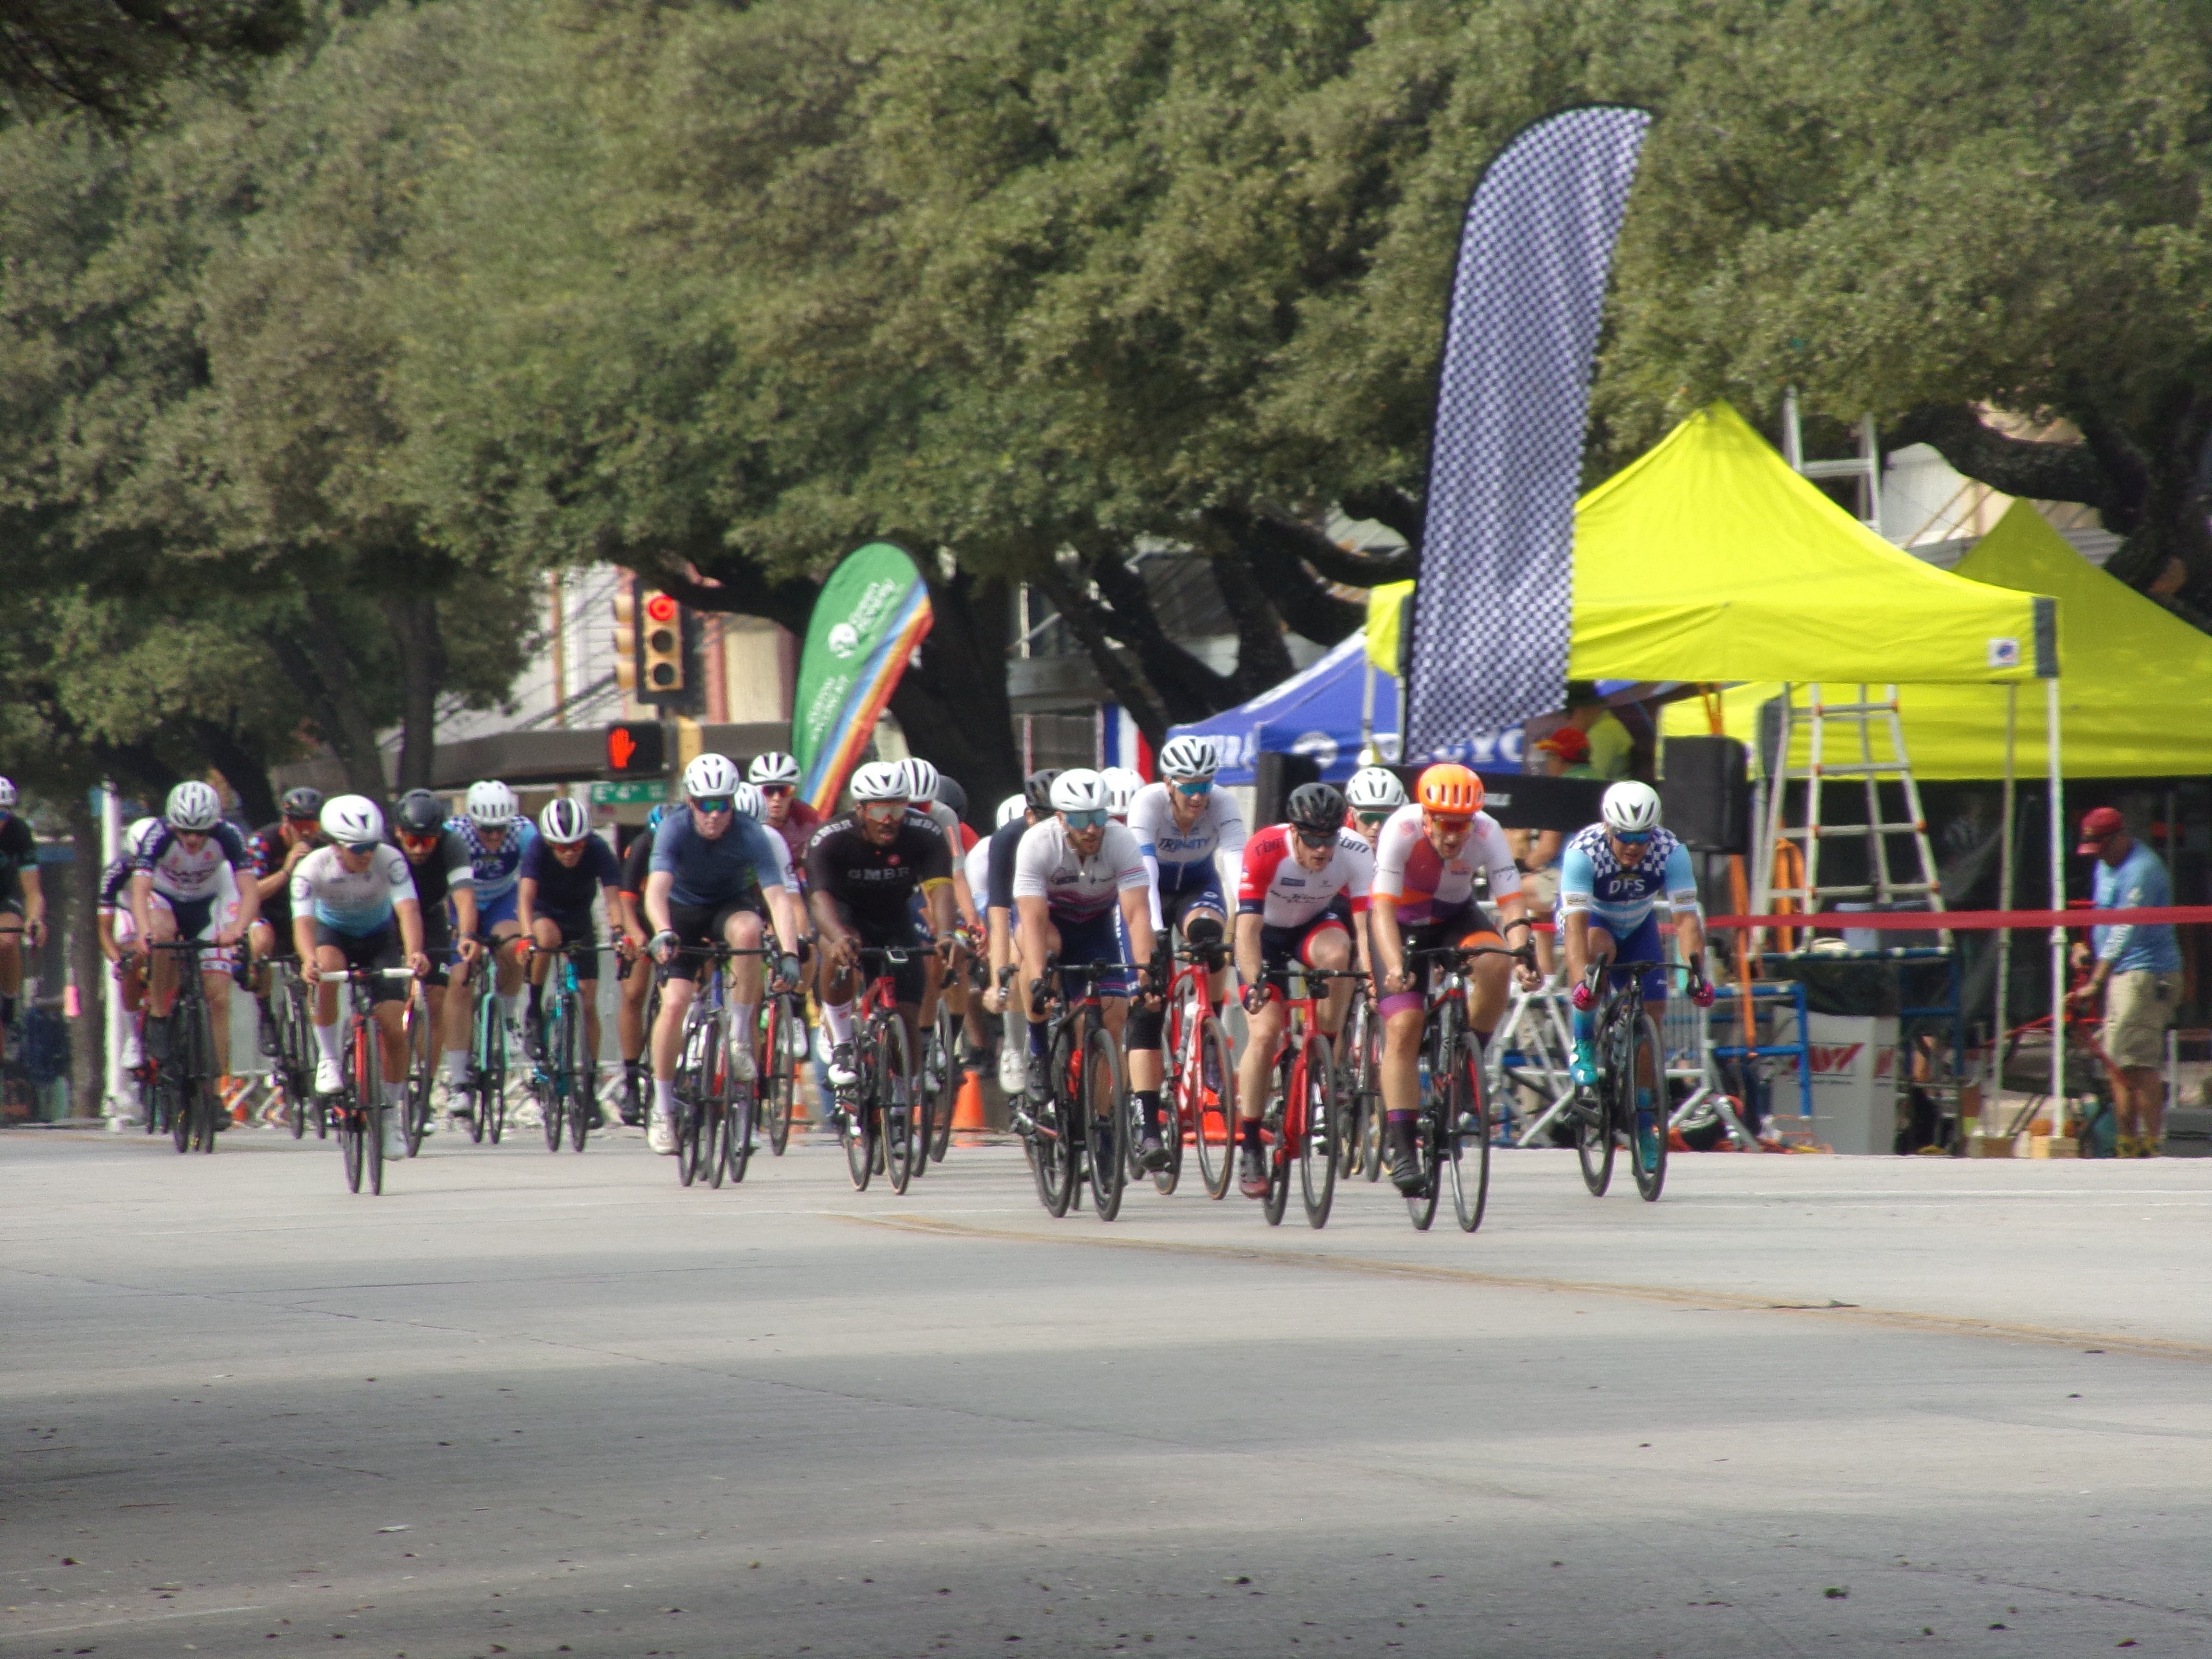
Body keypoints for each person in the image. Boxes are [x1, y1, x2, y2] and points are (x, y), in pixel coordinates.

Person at [1367, 764, 1538, 1193]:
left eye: (1462, 826)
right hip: (1400, 926)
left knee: (1497, 961)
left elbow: (1512, 902)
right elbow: (1382, 909)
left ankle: (1466, 1063)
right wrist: (1393, 965)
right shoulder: (1400, 829)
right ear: (1425, 817)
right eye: (1444, 824)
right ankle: (1403, 1146)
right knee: (1405, 1026)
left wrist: (1523, 952)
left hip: (1452, 917)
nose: (1453, 836)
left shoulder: (1488, 832)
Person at [642, 753, 804, 1155]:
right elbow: (656, 890)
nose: (713, 815)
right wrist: (663, 932)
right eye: (704, 804)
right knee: (676, 1002)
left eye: (723, 804)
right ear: (690, 802)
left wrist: (789, 953)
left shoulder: (752, 833)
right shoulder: (674, 829)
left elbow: (778, 900)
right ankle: (662, 1109)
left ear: (734, 802)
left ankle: (738, 1039)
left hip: (728, 906)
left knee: (750, 930)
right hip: (681, 912)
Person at [1558, 781, 1713, 1164]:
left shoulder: (1670, 852)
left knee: (1653, 1017)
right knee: (1598, 955)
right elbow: (1575, 928)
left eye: (1641, 837)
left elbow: (1686, 922)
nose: (1633, 846)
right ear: (1609, 828)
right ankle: (1584, 1045)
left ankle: (1644, 1125)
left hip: (1639, 924)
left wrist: (1696, 978)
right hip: (1594, 922)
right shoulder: (1583, 852)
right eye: (1625, 836)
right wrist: (1581, 983)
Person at [1231, 783, 1373, 1198]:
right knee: (1263, 1034)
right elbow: (1247, 929)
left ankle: (1324, 1056)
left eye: (1328, 839)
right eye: (1312, 840)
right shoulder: (1265, 849)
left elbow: (1365, 927)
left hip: (1313, 925)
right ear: (1294, 832)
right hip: (1265, 936)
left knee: (1340, 956)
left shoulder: (1356, 850)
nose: (1322, 850)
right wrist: (1256, 979)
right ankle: (1252, 1143)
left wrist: (1369, 974)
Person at [1009, 769, 1156, 1166]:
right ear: (1060, 818)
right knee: (1041, 959)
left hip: (1094, 927)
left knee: (1114, 1014)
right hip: (1050, 925)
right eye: (1078, 819)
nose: (1091, 828)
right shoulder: (1037, 844)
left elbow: (1137, 914)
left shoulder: (1121, 841)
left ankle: (1102, 1121)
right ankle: (1039, 1049)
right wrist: (1040, 976)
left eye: (1098, 816)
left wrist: (1145, 974)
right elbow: (1035, 921)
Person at [806, 761, 957, 1124]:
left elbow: (941, 891)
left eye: (897, 808)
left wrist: (947, 934)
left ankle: (903, 1099)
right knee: (837, 953)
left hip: (893, 915)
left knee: (907, 1015)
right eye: (879, 810)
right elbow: (819, 898)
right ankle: (842, 1043)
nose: (890, 819)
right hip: (843, 914)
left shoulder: (925, 833)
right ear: (860, 810)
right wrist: (839, 935)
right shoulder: (831, 838)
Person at [1126, 735, 1247, 1156]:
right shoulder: (1148, 804)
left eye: (1205, 785)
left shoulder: (1223, 803)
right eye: (1189, 786)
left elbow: (1235, 865)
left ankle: (1209, 1033)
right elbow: (1144, 875)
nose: (1198, 796)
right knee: (1149, 998)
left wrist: (1246, 920)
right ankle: (1148, 1123)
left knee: (1212, 942)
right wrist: (1157, 937)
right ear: (1169, 783)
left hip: (1198, 886)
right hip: (1151, 889)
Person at [291, 795, 428, 1161]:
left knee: (395, 1030)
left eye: (371, 846)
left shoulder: (391, 860)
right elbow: (303, 921)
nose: (366, 855)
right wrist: (307, 961)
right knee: (326, 968)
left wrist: (415, 953)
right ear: (335, 846)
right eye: (357, 849)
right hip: (332, 934)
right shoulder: (312, 868)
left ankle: (389, 1117)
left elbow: (408, 908)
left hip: (378, 938)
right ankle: (330, 1059)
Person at [132, 781, 261, 1090]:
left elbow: (249, 891)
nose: (192, 840)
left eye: (201, 833)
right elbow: (140, 888)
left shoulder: (229, 836)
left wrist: (237, 930)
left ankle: (214, 1090)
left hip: (209, 903)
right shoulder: (159, 835)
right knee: (162, 933)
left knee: (218, 998)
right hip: (167, 900)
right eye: (185, 832)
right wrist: (143, 930)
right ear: (173, 825)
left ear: (214, 826)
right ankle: (160, 1016)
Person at [2069, 806, 2182, 1156]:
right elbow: (2101, 913)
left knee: (2138, 1064)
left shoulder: (2142, 871)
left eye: (2102, 846)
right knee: (2119, 1062)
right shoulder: (2106, 865)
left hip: (2146, 975)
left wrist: (2095, 983)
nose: (2098, 856)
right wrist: (2082, 946)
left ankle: (2152, 1143)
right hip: (2122, 974)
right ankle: (2127, 1143)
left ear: (2120, 836)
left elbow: (2124, 931)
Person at [515, 797, 623, 1109]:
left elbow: (614, 899)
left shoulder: (599, 849)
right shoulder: (536, 849)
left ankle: (588, 1084)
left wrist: (618, 931)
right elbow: (525, 898)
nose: (570, 853)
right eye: (561, 847)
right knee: (546, 936)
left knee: (588, 1001)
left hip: (580, 920)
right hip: (545, 914)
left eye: (577, 846)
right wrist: (526, 937)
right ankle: (534, 1009)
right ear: (549, 843)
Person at [390, 789, 480, 1114]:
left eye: (427, 842)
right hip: (384, 916)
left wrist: (468, 934)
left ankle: (423, 1093)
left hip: (428, 916)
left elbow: (465, 896)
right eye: (411, 840)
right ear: (398, 832)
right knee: (388, 997)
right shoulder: (385, 846)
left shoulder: (453, 845)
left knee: (438, 998)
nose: (417, 849)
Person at [984, 769, 1058, 1096]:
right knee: (1020, 950)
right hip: (1025, 906)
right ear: (1029, 816)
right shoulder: (1009, 840)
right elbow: (999, 917)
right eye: (1047, 817)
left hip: (1067, 905)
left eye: (1064, 815)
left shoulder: (1082, 832)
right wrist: (997, 983)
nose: (1058, 824)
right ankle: (1015, 1045)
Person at [450, 780, 535, 1040]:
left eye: (501, 829)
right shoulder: (455, 834)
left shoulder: (523, 831)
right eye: (487, 830)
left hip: (501, 898)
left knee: (513, 947)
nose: (496, 837)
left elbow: (538, 873)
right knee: (461, 976)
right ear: (473, 822)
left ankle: (508, 1017)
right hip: (460, 902)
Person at [95, 817, 161, 1108]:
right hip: (129, 918)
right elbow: (105, 930)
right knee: (130, 961)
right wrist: (117, 959)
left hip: (162, 912)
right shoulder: (117, 873)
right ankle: (136, 1034)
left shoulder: (171, 862)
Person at [245, 787, 325, 1028]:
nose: (308, 834)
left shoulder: (323, 846)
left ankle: (317, 1022)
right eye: (301, 827)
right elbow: (251, 893)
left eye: (313, 827)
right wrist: (287, 870)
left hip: (305, 913)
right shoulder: (263, 842)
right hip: (269, 910)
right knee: (261, 941)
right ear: (286, 823)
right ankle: (265, 1012)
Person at [611, 805, 669, 1126]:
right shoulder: (641, 847)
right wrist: (633, 935)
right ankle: (632, 1080)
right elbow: (626, 901)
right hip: (641, 920)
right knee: (633, 994)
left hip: (674, 919)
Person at [0, 777, 44, 1033]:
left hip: (3, 901)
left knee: (7, 939)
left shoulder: (18, 832)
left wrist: (35, 919)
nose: (1, 820)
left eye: (5, 813)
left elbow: (34, 892)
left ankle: (9, 1003)